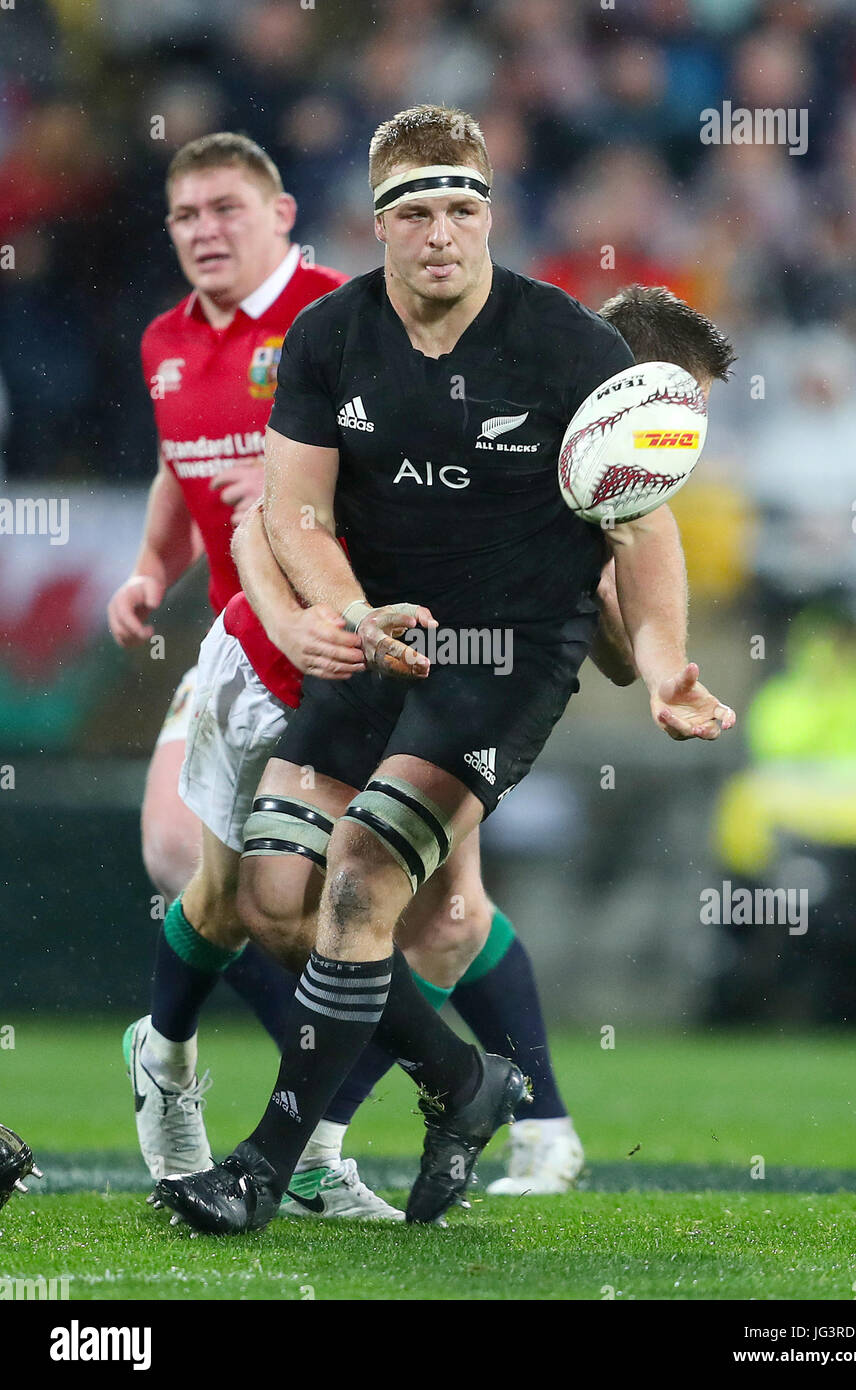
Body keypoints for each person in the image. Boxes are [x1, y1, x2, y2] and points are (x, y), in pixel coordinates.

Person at [152, 104, 735, 1234]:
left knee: (369, 870)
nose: (440, 233)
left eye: (462, 208)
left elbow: (643, 523)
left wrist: (664, 663)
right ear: (378, 223)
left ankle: (264, 1169)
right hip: (382, 636)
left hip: (509, 653)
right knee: (275, 900)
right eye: (415, 211)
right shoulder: (328, 338)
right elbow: (295, 510)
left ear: (490, 215)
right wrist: (347, 613)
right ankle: (463, 1081)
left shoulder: (571, 343)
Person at [110, 131, 588, 1214]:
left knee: (429, 915)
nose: (206, 232)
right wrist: (152, 564)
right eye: (185, 215)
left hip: (395, 662)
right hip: (264, 640)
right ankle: (281, 1097)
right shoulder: (166, 343)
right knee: (220, 874)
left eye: (228, 209)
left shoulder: (354, 313)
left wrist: (614, 621)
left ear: (286, 216)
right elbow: (203, 481)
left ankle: (500, 1116)